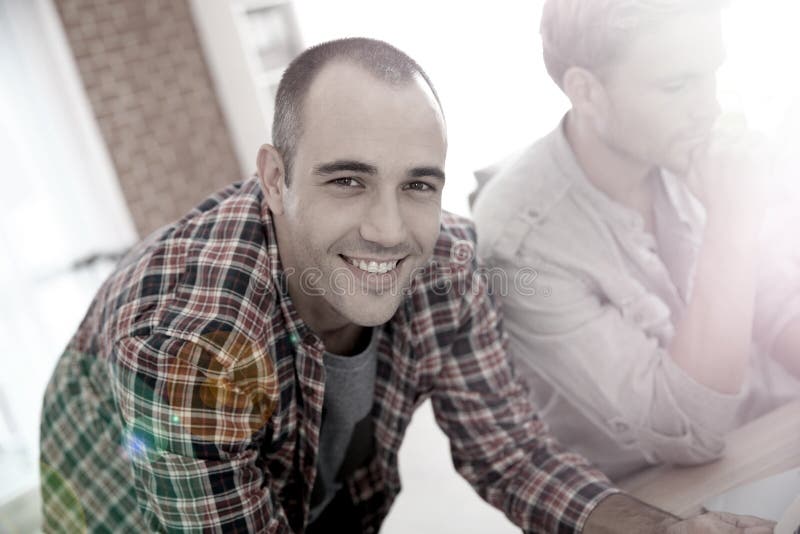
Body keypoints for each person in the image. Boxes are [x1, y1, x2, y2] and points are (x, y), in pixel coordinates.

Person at [40, 37, 772, 533]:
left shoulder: (448, 260)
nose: (391, 230)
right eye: (348, 180)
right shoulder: (192, 343)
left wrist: (662, 528)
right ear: (274, 178)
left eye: (418, 184)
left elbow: (513, 455)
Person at [473, 0, 800, 483]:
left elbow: (778, 299)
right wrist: (730, 223)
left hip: (774, 437)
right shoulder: (518, 246)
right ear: (585, 91)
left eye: (711, 73)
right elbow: (687, 429)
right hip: (662, 492)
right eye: (676, 85)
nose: (709, 107)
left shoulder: (693, 143)